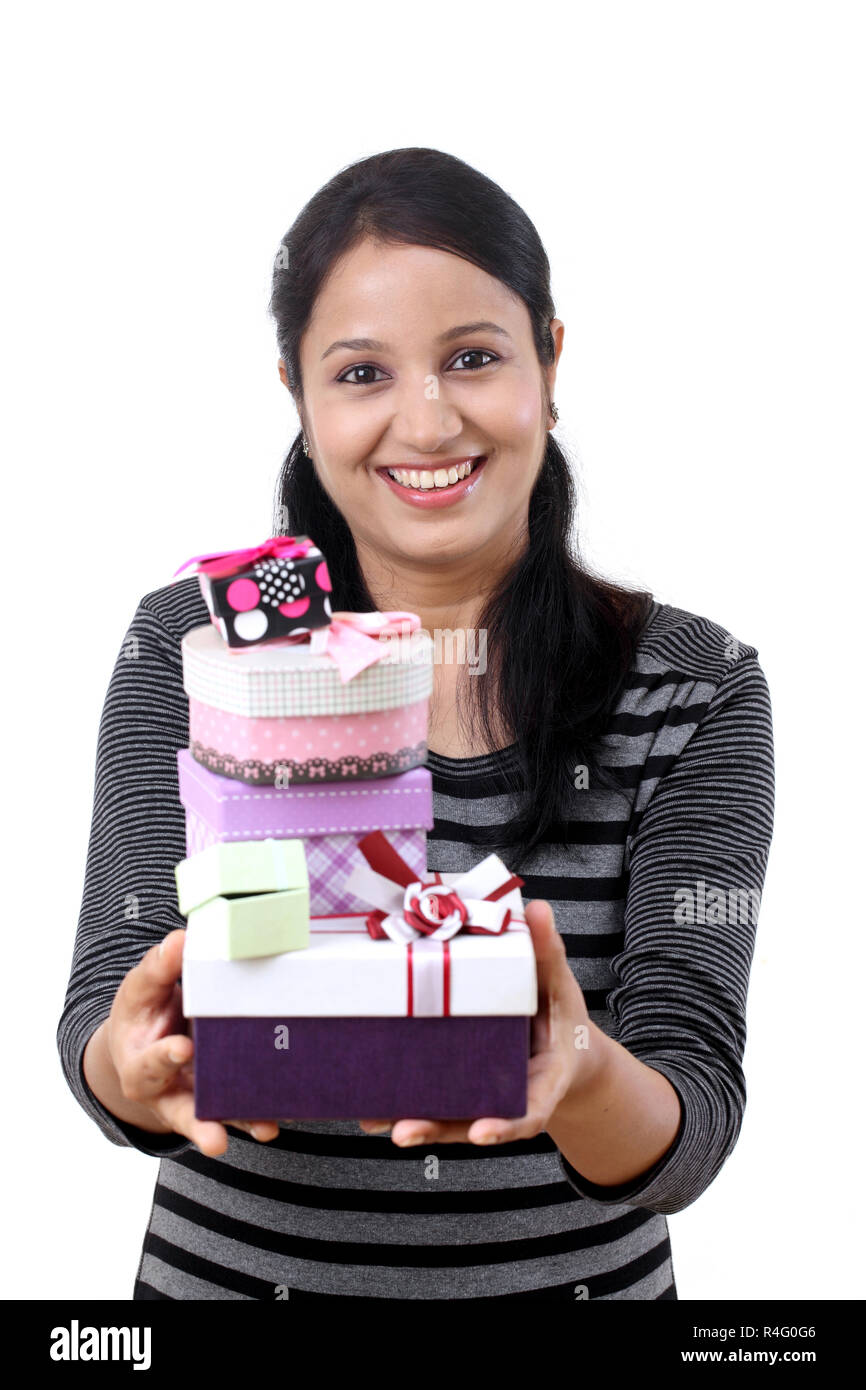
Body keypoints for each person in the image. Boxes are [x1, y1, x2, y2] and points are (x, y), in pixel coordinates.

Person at [57, 147, 775, 1301]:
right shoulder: (192, 647)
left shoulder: (690, 684)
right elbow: (104, 1011)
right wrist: (131, 1068)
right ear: (295, 391)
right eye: (360, 374)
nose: (427, 421)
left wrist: (574, 1072)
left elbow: (689, 1123)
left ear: (549, 357)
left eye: (473, 359)